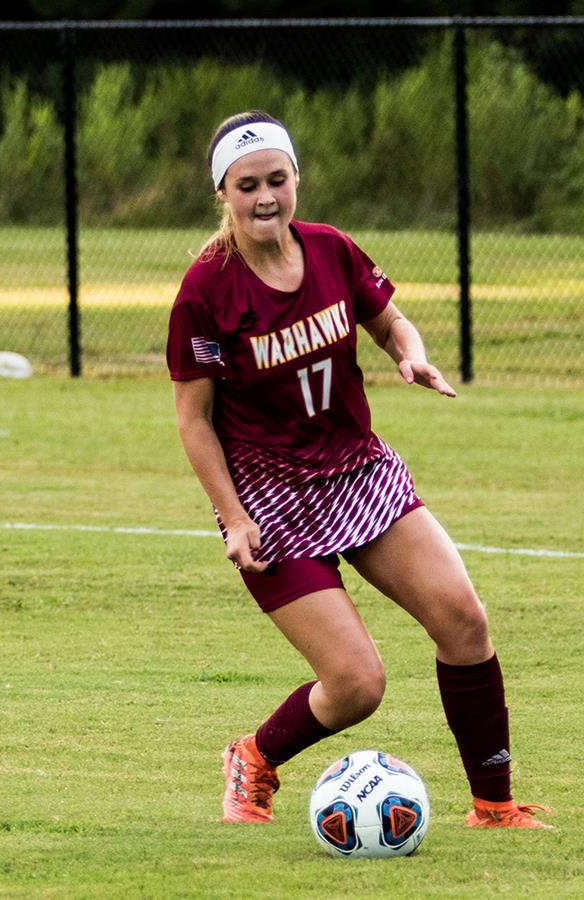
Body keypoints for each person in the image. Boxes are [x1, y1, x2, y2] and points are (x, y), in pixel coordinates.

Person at [167, 111, 551, 830]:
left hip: (356, 471)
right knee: (356, 684)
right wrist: (236, 516)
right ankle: (253, 756)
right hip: (269, 500)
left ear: (296, 180)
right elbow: (194, 422)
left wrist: (409, 352)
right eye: (247, 185)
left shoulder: (333, 251)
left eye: (277, 179)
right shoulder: (206, 290)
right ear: (223, 192)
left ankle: (494, 807)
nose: (266, 198)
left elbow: (391, 322)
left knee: (464, 620)